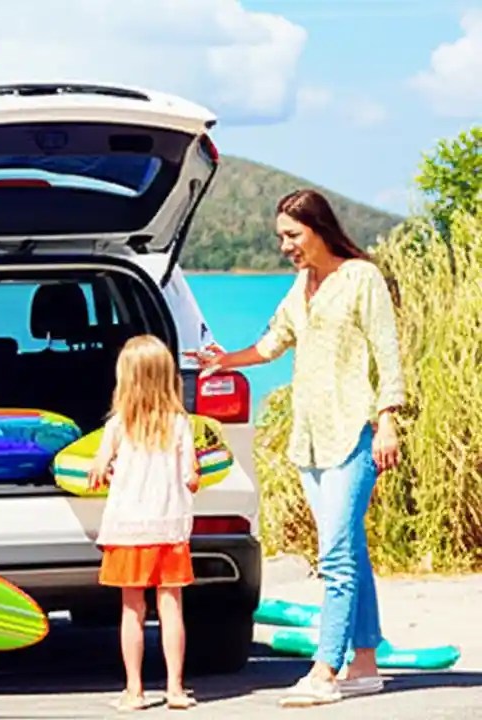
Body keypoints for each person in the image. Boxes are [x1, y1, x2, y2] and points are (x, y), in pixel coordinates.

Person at [188, 188, 405, 707]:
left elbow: (387, 350)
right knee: (349, 548)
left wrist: (389, 419)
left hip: (353, 431)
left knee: (335, 556)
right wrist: (226, 361)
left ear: (318, 227)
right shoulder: (301, 284)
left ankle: (326, 670)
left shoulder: (360, 278)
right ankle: (366, 664)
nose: (285, 245)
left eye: (292, 235)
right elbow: (272, 344)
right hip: (308, 438)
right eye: (280, 237)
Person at [87, 334, 200, 712]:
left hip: (128, 530)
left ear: (126, 380)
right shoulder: (180, 425)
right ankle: (175, 689)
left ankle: (134, 690)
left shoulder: (117, 426)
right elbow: (192, 478)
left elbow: (97, 471)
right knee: (171, 609)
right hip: (168, 528)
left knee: (132, 611)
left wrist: (106, 471)